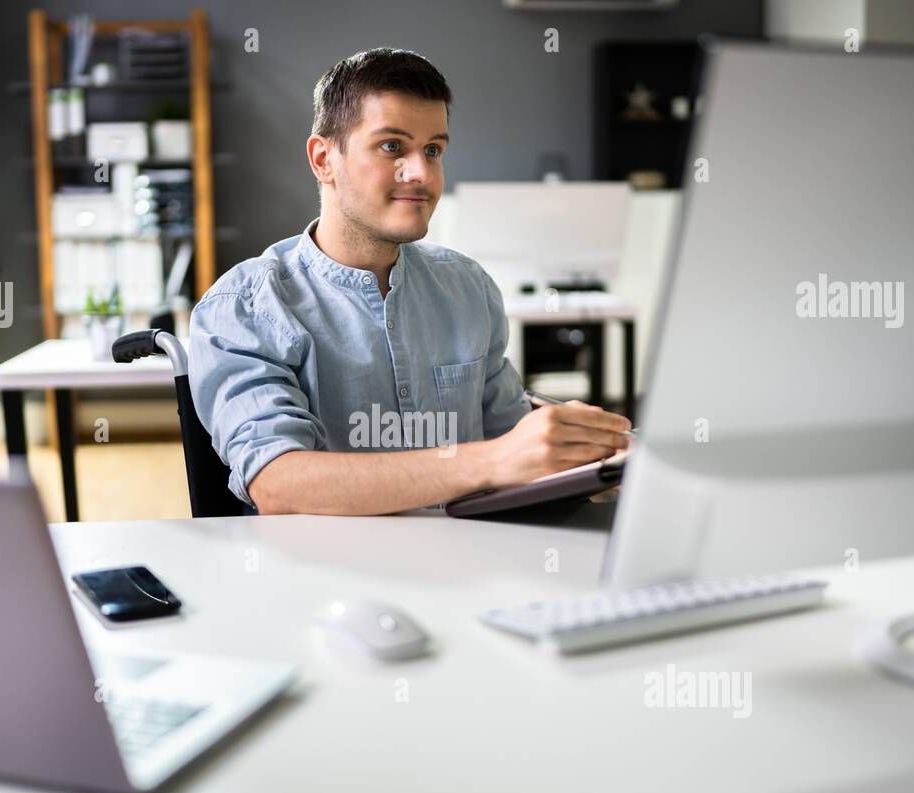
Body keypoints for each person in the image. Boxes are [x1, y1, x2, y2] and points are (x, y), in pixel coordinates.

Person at [188, 47, 630, 515]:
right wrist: (493, 461)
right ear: (323, 159)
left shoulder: (468, 287)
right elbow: (279, 484)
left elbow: (511, 445)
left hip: (471, 570)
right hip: (323, 581)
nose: (421, 173)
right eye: (392, 146)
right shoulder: (245, 306)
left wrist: (596, 458)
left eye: (434, 150)